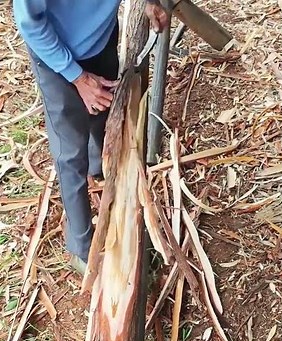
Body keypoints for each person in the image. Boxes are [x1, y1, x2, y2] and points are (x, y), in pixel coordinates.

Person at [13, 0, 168, 275]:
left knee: (104, 111)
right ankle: (81, 246)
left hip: (101, 39)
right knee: (71, 151)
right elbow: (30, 23)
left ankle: (101, 168)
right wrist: (77, 77)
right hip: (57, 57)